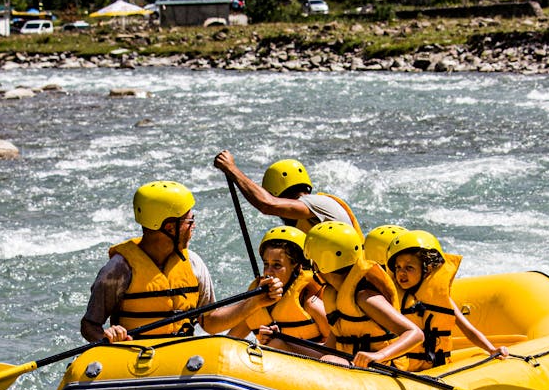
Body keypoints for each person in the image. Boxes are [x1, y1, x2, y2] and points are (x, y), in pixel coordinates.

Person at [81, 181, 282, 343]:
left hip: (180, 360)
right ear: (170, 228)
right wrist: (107, 337)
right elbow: (89, 325)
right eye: (190, 221)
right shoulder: (118, 269)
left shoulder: (194, 263)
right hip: (134, 358)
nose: (193, 227)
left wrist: (255, 302)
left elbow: (210, 323)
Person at [261, 221, 422, 370]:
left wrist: (378, 356)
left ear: (322, 262)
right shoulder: (336, 296)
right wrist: (283, 339)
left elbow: (415, 333)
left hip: (382, 371)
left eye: (313, 261)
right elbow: (328, 348)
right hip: (350, 364)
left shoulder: (364, 297)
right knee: (277, 343)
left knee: (332, 361)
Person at [386, 229, 509, 371]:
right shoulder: (392, 299)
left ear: (427, 269)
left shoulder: (441, 300)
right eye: (398, 267)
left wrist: (492, 349)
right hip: (403, 370)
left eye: (409, 268)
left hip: (438, 369)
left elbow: (468, 330)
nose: (401, 273)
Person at [228, 226, 331, 350]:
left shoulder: (309, 302)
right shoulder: (255, 304)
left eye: (277, 265)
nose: (268, 272)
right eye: (266, 264)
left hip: (310, 364)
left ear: (297, 267)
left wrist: (285, 343)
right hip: (275, 364)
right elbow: (230, 342)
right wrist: (263, 341)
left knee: (276, 344)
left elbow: (337, 347)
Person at [213, 150, 363, 234]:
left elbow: (267, 205)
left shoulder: (317, 203)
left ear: (276, 194)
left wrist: (231, 169)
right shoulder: (303, 225)